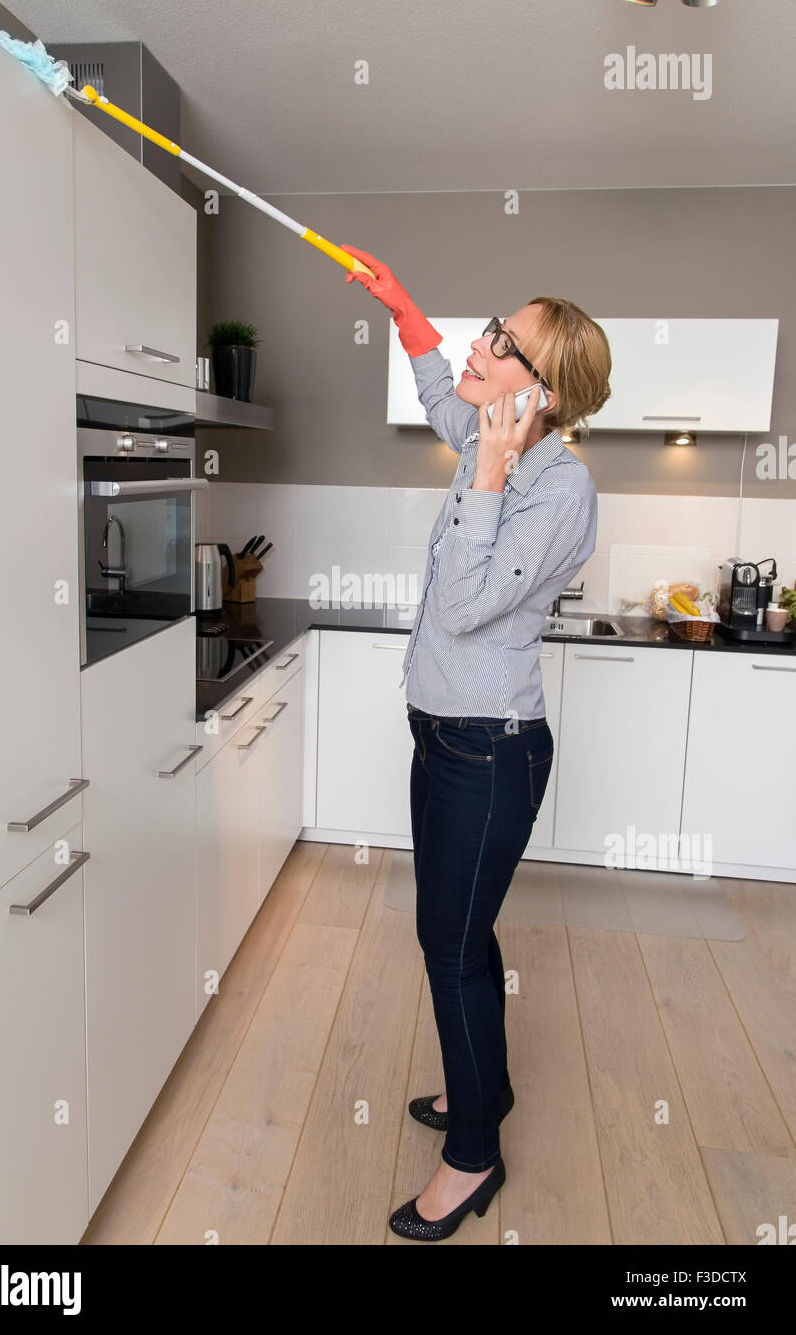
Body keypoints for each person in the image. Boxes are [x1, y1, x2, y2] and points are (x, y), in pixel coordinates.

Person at [342, 245, 612, 1242]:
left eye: (500, 341)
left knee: (447, 946)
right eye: (488, 326)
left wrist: (490, 472)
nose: (477, 341)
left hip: (488, 751)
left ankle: (470, 1159)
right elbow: (432, 391)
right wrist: (401, 303)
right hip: (444, 736)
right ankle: (481, 1094)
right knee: (460, 936)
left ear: (536, 393)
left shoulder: (554, 488)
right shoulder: (487, 432)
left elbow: (460, 608)